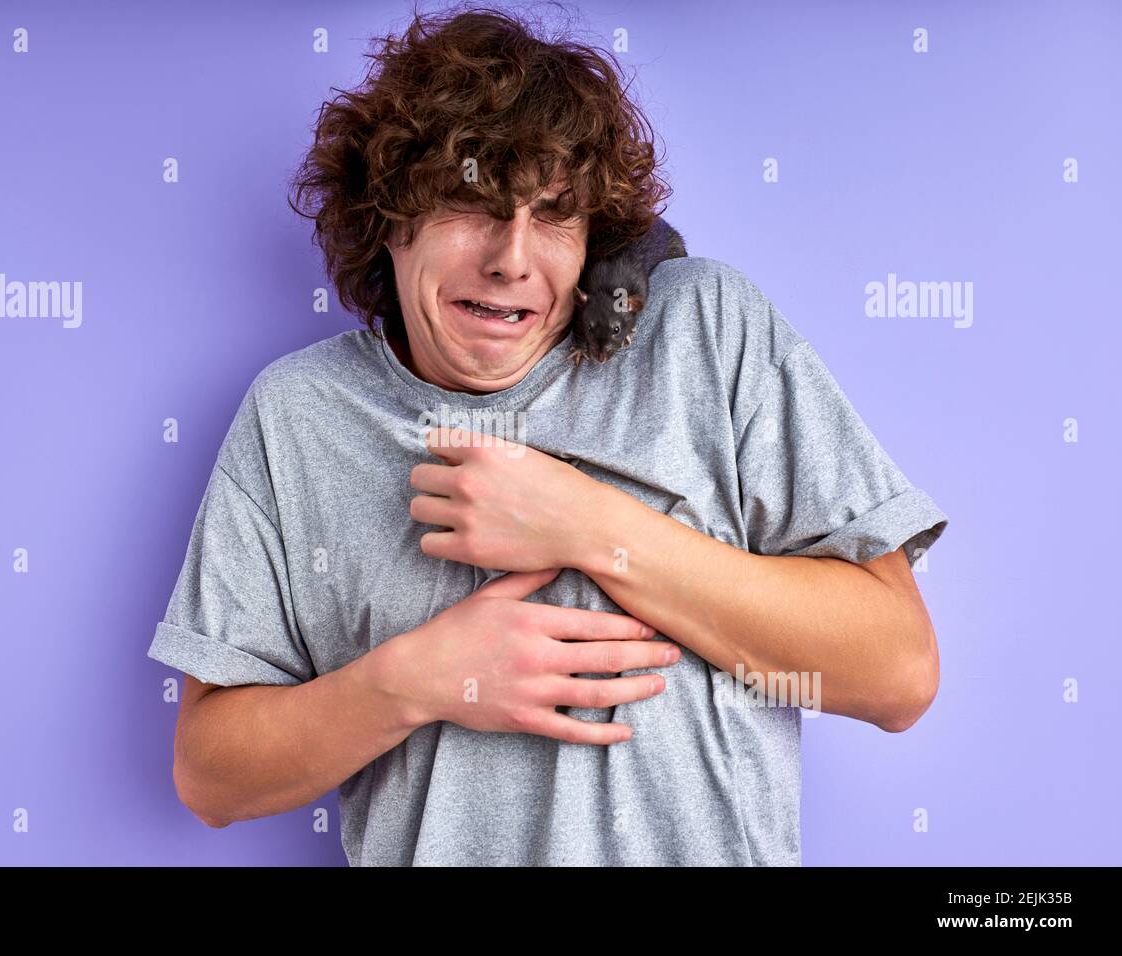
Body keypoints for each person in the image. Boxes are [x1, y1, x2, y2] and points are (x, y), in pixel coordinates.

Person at [147, 6, 948, 866]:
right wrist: (417, 680)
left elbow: (896, 675)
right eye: (469, 202)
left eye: (554, 214)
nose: (512, 259)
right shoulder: (298, 415)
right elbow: (212, 776)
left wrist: (593, 529)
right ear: (389, 218)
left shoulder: (704, 333)